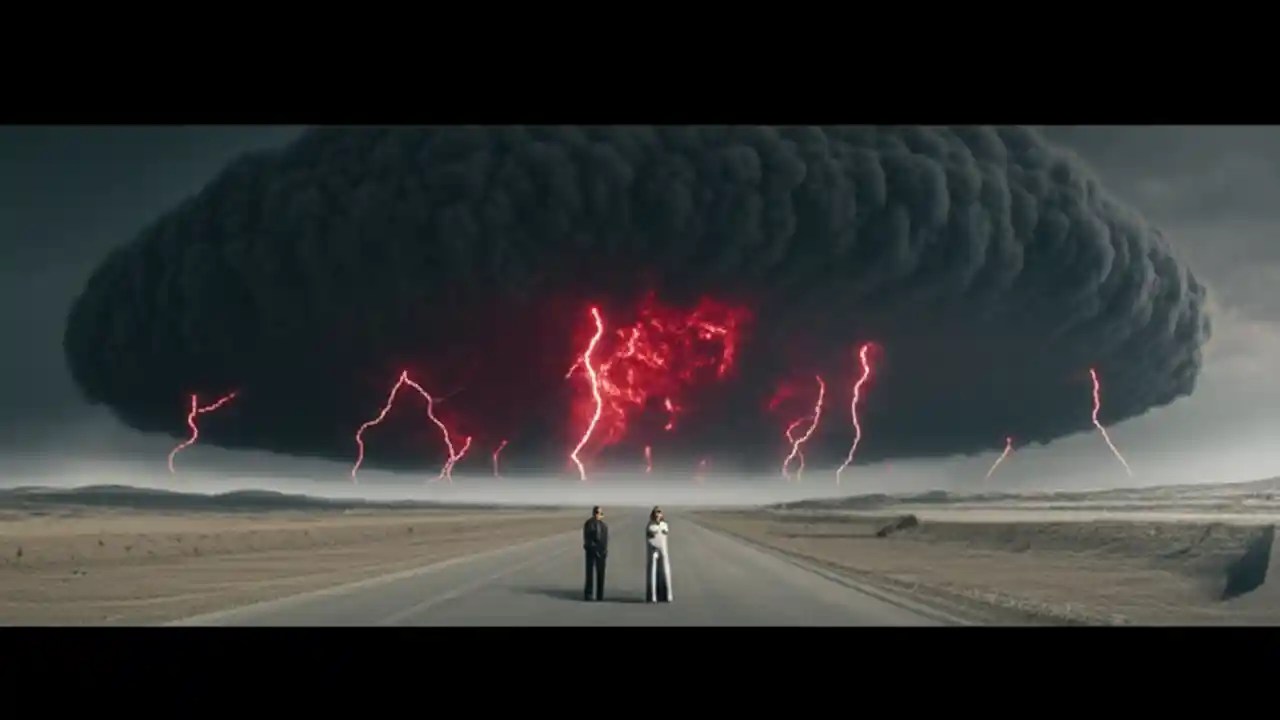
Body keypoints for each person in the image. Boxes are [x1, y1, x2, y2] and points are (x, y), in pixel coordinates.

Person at [645, 506, 672, 603]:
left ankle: (666, 595)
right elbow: (649, 538)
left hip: (663, 551)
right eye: (656, 512)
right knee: (652, 572)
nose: (658, 514)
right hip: (653, 551)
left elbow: (665, 534)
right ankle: (652, 596)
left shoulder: (664, 525)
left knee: (665, 572)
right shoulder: (650, 525)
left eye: (659, 512)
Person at [582, 506, 608, 601]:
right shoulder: (589, 524)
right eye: (596, 512)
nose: (598, 515)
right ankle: (588, 594)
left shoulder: (604, 526)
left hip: (601, 553)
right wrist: (592, 549)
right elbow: (587, 538)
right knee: (589, 574)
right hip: (591, 552)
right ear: (593, 513)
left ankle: (600, 595)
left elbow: (605, 540)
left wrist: (604, 551)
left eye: (600, 513)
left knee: (601, 574)